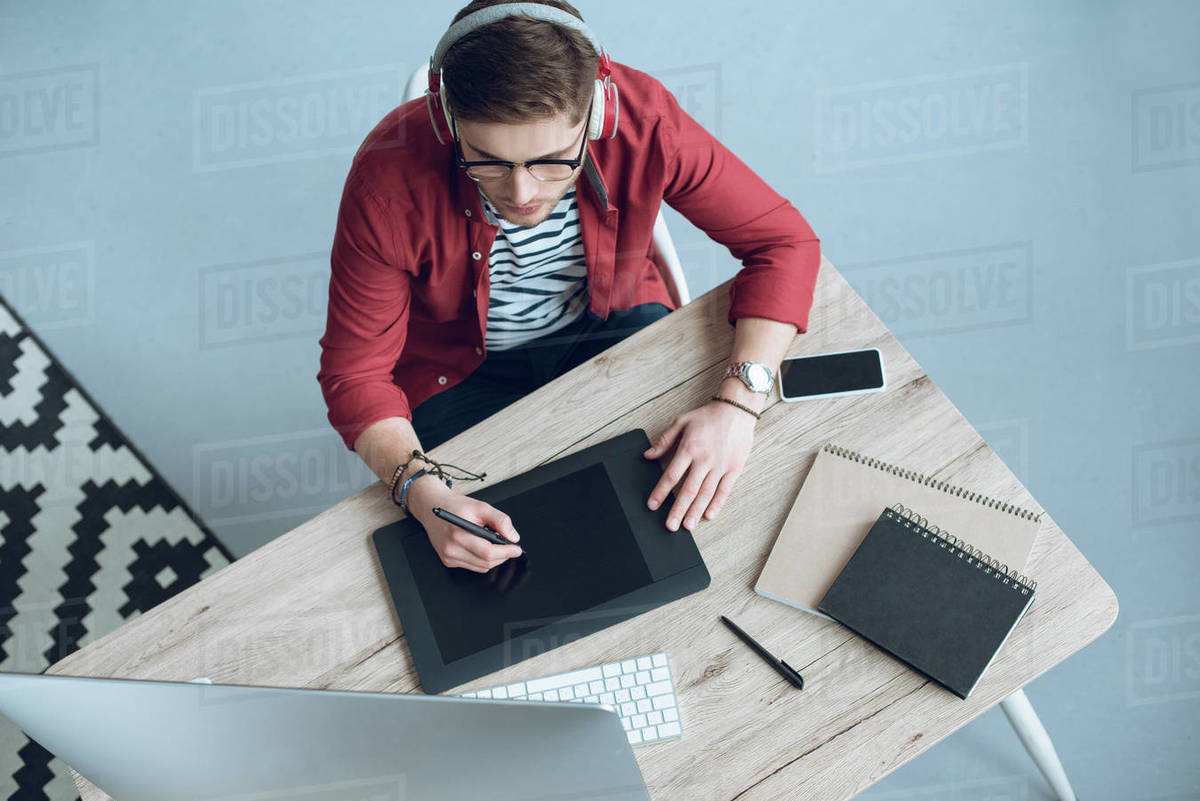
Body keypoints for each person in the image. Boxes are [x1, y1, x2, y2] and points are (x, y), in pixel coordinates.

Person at [316, 0, 821, 574]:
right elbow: (355, 375)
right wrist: (423, 495)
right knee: (519, 565)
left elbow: (783, 244)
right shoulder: (386, 178)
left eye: (553, 160)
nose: (523, 192)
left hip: (610, 321)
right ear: (446, 122)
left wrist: (737, 406)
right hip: (457, 373)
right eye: (488, 161)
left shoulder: (642, 116)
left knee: (725, 514)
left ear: (599, 113)